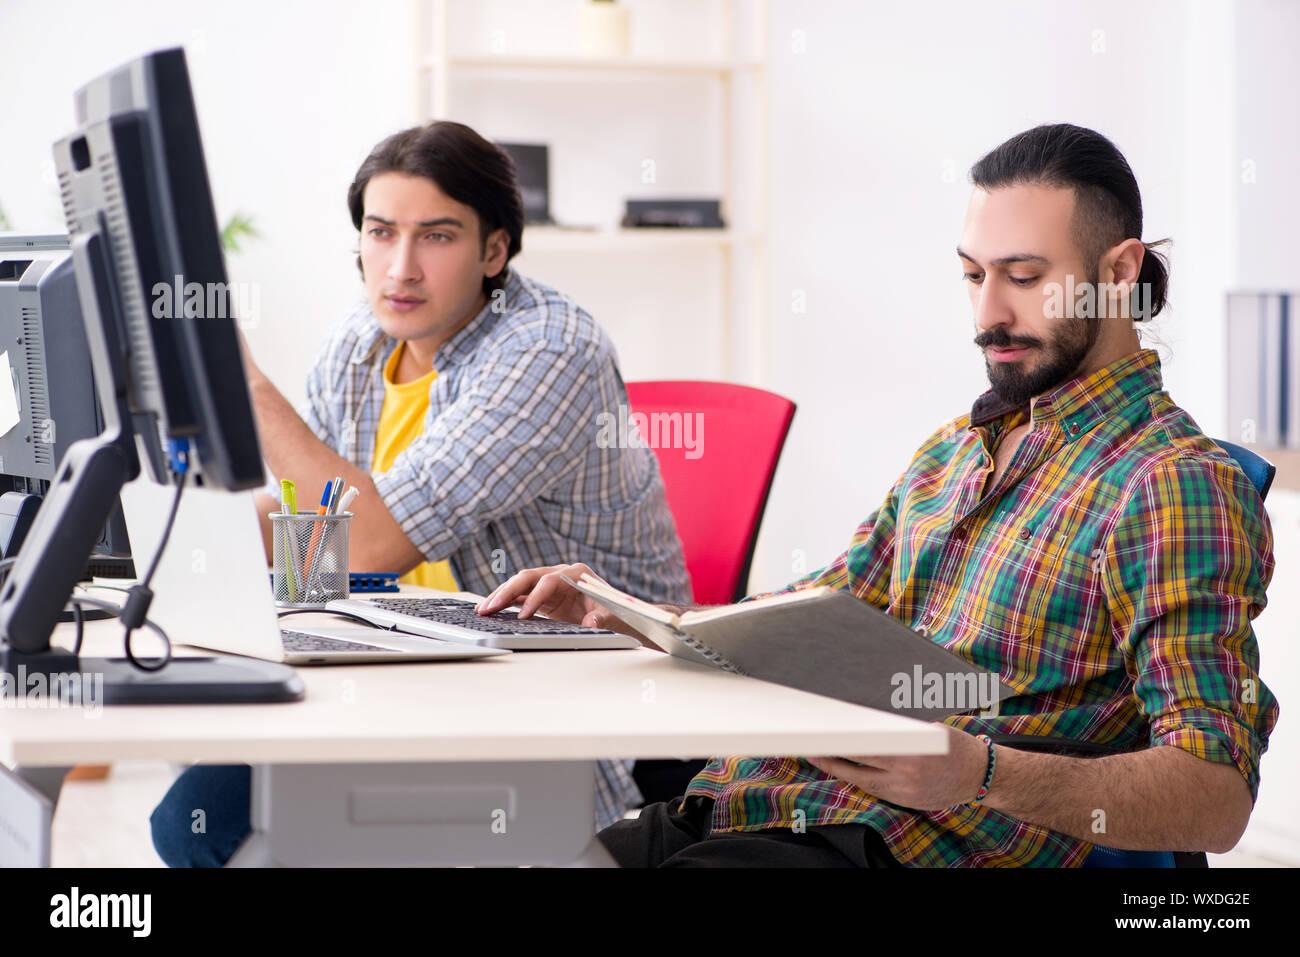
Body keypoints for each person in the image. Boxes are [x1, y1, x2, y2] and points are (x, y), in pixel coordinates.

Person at [477, 123, 1280, 867]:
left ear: (1118, 272)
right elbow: (809, 618)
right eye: (973, 275)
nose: (987, 313)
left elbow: (1213, 794)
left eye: (1026, 278)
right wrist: (630, 612)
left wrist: (974, 771)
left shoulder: (1172, 483)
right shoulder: (953, 453)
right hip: (768, 800)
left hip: (905, 845)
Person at [149, 121, 691, 867]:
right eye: (381, 233)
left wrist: (238, 382)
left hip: (566, 693)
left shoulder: (548, 349)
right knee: (196, 814)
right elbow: (319, 538)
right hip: (416, 664)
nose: (400, 267)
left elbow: (372, 539)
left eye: (436, 236)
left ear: (493, 251)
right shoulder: (359, 346)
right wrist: (177, 557)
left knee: (210, 826)